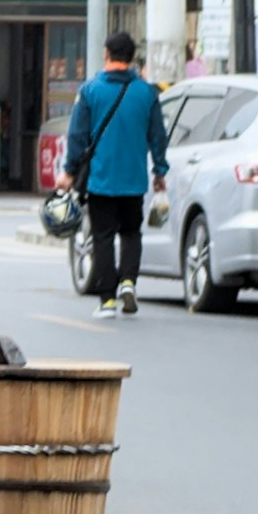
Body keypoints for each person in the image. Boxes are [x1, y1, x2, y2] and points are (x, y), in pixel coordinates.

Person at [63, 29, 165, 312]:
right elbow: (158, 135)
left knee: (103, 237)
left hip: (101, 180)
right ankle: (129, 282)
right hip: (134, 180)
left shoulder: (90, 91)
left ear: (106, 53)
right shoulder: (147, 93)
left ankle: (107, 298)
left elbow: (77, 136)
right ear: (132, 58)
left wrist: (69, 171)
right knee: (131, 233)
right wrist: (160, 170)